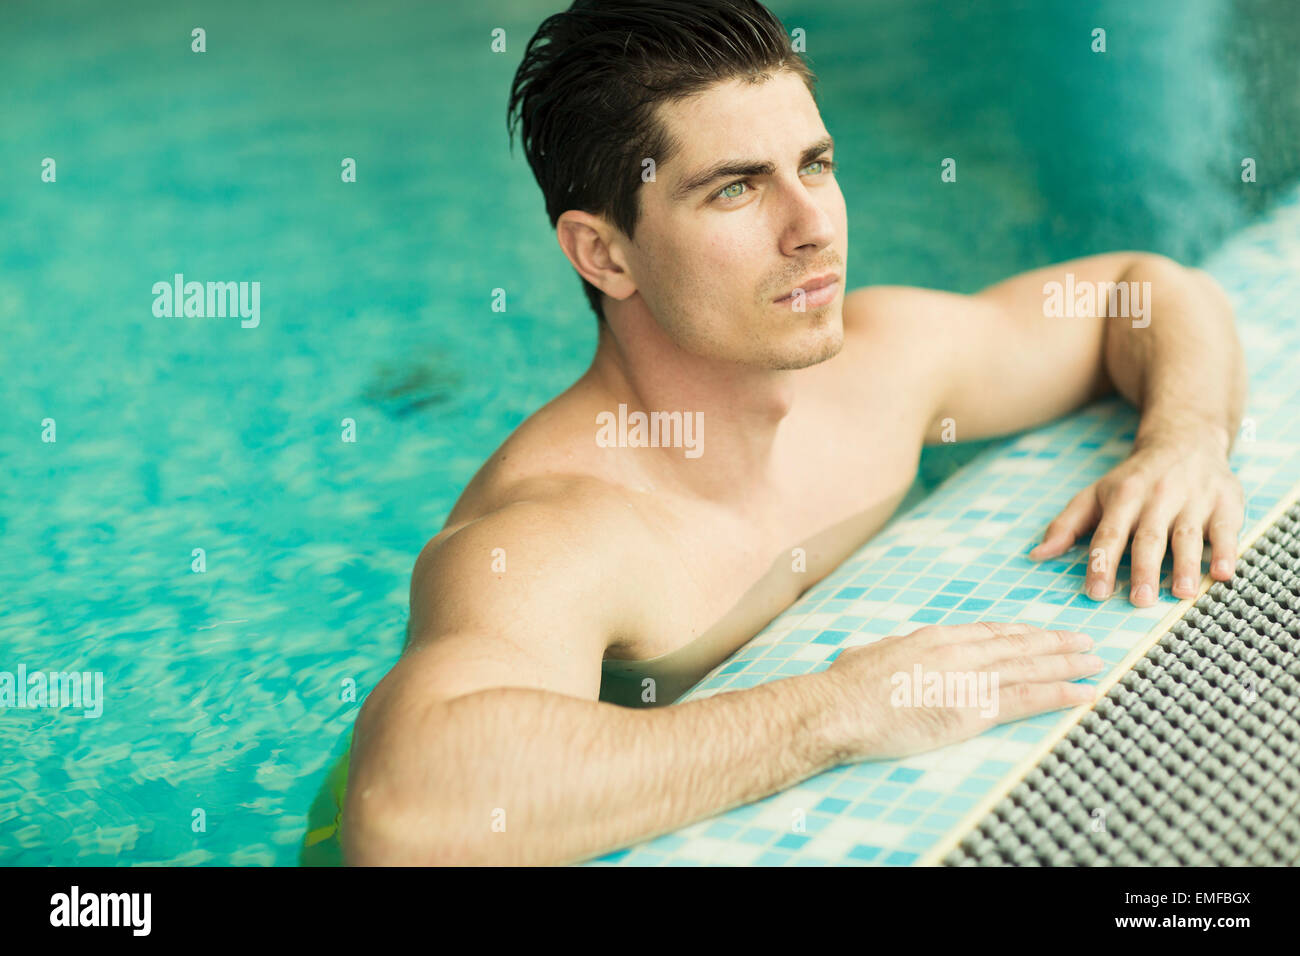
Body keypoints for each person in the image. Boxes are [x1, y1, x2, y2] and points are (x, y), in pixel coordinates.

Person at [319, 0, 1247, 866]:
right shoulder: (555, 532)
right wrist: (832, 711)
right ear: (604, 253)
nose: (813, 228)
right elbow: (406, 811)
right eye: (735, 189)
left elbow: (1145, 290)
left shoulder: (882, 368)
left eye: (816, 165)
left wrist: (1184, 442)